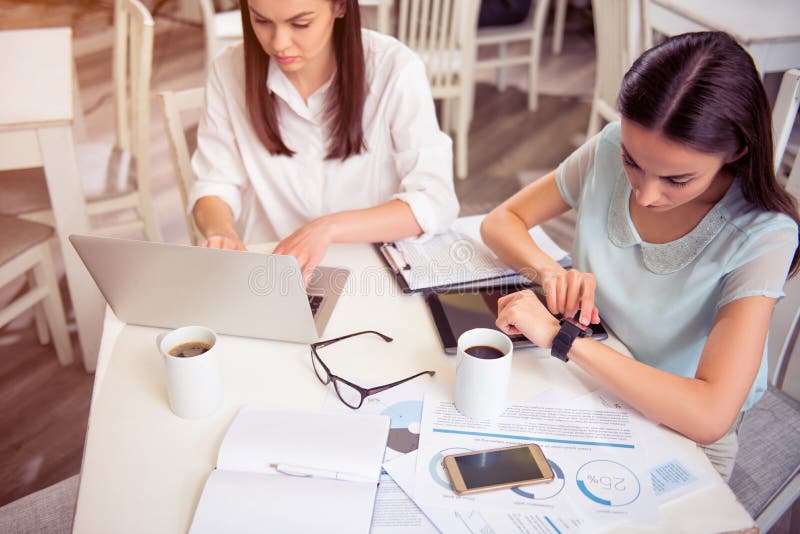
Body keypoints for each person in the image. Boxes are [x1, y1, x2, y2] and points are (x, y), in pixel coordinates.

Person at [481, 31, 800, 481]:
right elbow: (501, 220)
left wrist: (561, 336)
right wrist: (551, 273)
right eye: (634, 162)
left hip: (677, 429)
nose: (647, 194)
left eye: (678, 179)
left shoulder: (763, 236)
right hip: (586, 380)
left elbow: (709, 417)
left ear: (737, 150)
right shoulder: (611, 146)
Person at [189, 0, 459, 282]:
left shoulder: (394, 68)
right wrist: (221, 232)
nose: (279, 43)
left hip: (372, 272)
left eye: (300, 23)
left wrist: (327, 228)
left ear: (340, 7)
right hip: (271, 272)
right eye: (262, 21)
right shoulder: (227, 69)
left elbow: (435, 200)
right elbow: (215, 184)